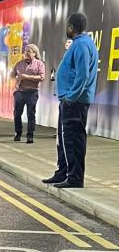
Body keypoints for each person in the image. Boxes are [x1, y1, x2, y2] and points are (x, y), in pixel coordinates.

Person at [42, 13, 98, 189]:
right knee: (64, 139)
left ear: (71, 27)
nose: (66, 28)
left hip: (75, 102)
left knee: (72, 140)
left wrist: (71, 97)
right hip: (70, 100)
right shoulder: (80, 44)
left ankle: (74, 178)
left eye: (67, 25)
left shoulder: (81, 45)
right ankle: (63, 172)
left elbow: (83, 75)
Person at [10, 44, 45, 143]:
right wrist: (15, 79)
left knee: (31, 114)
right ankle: (18, 132)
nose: (26, 53)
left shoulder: (40, 64)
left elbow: (42, 77)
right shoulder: (19, 63)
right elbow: (13, 74)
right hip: (20, 92)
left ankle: (30, 135)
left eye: (29, 51)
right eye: (25, 51)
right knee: (17, 113)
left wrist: (26, 77)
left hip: (32, 92)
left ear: (34, 53)